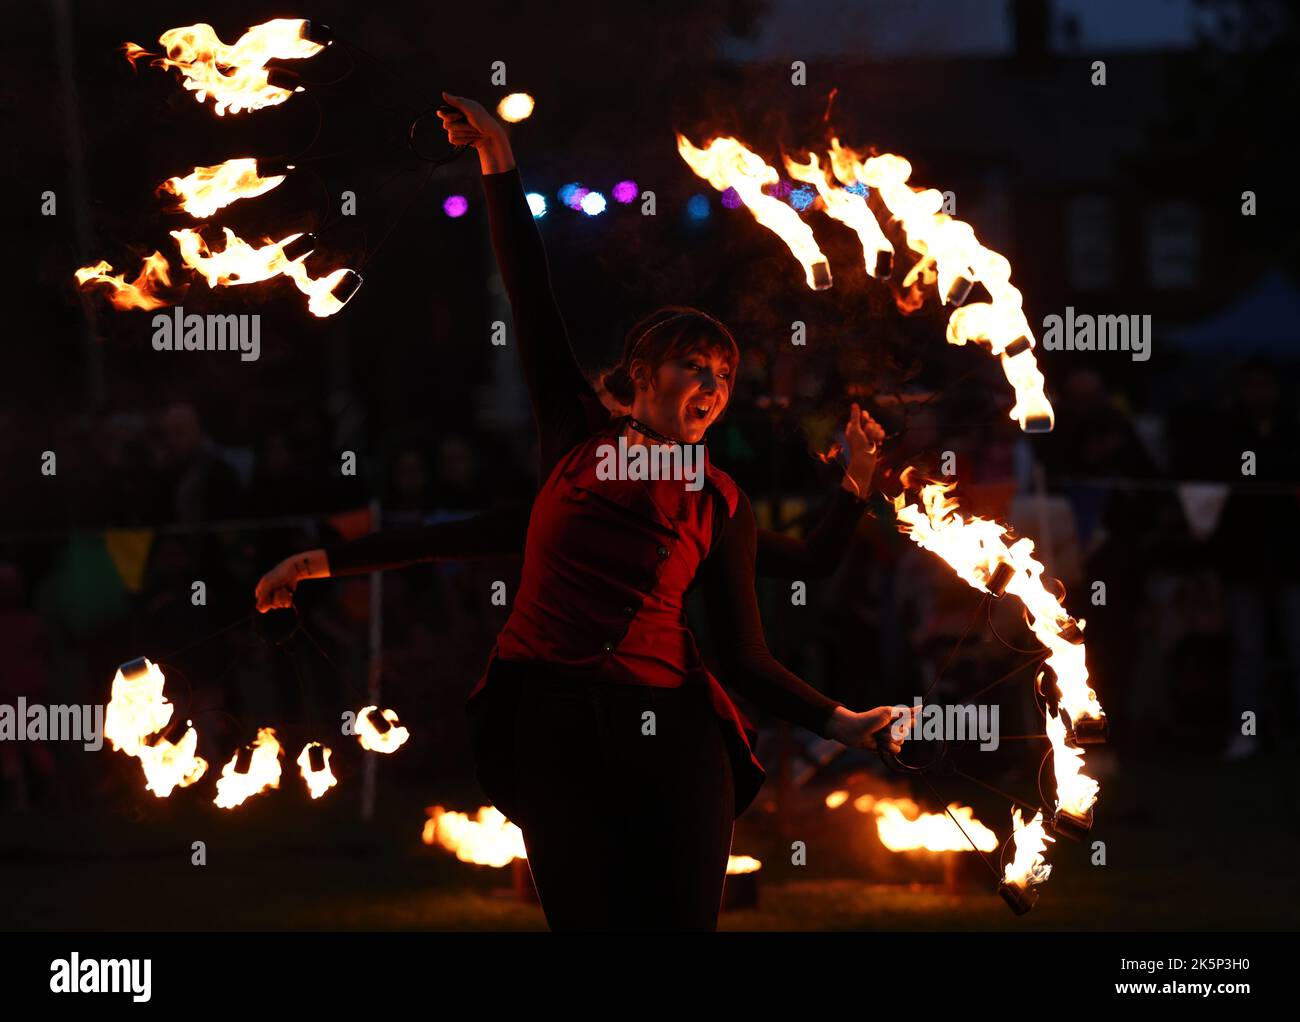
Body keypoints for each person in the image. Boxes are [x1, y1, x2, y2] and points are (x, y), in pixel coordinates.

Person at [257, 94, 911, 930]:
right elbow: (526, 300)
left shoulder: (721, 501)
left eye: (722, 373)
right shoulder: (576, 442)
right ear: (640, 376)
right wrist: (497, 157)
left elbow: (750, 647)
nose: (710, 385)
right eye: (689, 365)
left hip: (674, 736)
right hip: (554, 729)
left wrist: (845, 719)